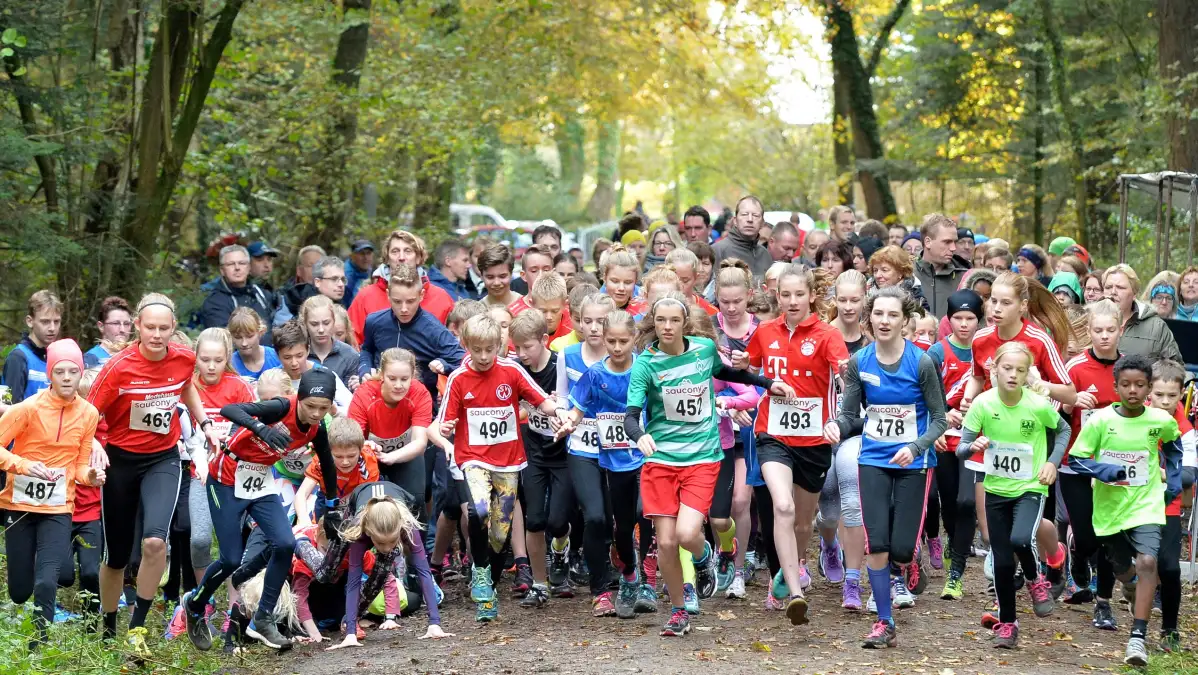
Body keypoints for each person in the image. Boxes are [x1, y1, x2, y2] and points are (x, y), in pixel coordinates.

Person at [624, 291, 787, 636]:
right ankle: (679, 610)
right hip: (661, 460)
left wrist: (767, 383)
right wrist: (639, 435)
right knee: (666, 542)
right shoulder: (645, 363)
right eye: (661, 320)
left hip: (702, 456)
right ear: (654, 323)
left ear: (685, 323)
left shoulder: (703, 350)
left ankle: (704, 555)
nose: (667, 327)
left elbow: (730, 374)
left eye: (674, 320)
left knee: (686, 534)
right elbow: (632, 414)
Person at [87, 294, 224, 655]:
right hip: (120, 461)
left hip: (162, 459)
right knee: (116, 557)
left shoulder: (183, 358)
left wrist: (205, 421)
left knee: (154, 543)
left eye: (165, 328)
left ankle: (137, 630)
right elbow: (87, 413)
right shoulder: (117, 367)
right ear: (137, 327)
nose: (158, 335)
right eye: (151, 327)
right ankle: (108, 625)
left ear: (173, 329)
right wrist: (93, 444)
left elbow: (186, 385)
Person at [181, 368, 340, 652]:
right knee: (230, 560)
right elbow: (230, 409)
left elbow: (327, 462)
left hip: (260, 482)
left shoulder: (318, 427)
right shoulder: (280, 406)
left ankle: (263, 617)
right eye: (311, 406)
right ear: (298, 398)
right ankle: (195, 605)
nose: (316, 413)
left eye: (324, 408)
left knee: (286, 542)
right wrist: (261, 427)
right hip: (227, 479)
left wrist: (332, 502)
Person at [824, 286, 948, 649]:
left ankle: (908, 563)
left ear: (904, 321)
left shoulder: (922, 363)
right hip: (873, 459)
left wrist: (915, 446)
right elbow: (849, 416)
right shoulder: (860, 362)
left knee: (901, 549)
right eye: (878, 314)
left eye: (892, 315)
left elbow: (939, 420)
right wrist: (837, 426)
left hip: (914, 462)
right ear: (869, 317)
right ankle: (884, 620)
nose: (884, 321)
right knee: (875, 543)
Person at [433, 314, 570, 622]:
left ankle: (489, 591)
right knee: (479, 511)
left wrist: (557, 414)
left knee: (500, 533)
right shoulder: (458, 378)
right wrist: (447, 427)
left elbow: (540, 400)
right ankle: (480, 573)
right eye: (476, 349)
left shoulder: (511, 370)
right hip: (473, 458)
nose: (483, 357)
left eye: (489, 350)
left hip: (508, 460)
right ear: (466, 345)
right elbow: (444, 423)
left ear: (499, 346)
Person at [737, 264, 849, 625]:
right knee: (781, 507)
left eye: (799, 294)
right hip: (772, 434)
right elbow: (750, 368)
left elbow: (844, 373)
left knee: (803, 523)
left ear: (812, 296)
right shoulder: (765, 332)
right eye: (785, 294)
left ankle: (793, 568)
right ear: (776, 296)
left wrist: (846, 390)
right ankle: (793, 593)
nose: (792, 300)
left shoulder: (829, 334)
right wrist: (748, 368)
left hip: (814, 440)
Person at [1067, 354, 1181, 668]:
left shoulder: (1160, 420)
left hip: (1146, 504)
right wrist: (1104, 470)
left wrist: (1172, 483)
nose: (1133, 390)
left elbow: (1173, 447)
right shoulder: (1101, 420)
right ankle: (1128, 583)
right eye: (1126, 384)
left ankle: (1138, 638)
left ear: (1149, 388)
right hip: (1109, 509)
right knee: (1121, 568)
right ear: (1116, 387)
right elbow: (1077, 459)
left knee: (1148, 562)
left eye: (1140, 385)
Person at [957, 342, 1071, 648]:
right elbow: (960, 447)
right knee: (1003, 563)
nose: (1013, 375)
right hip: (996, 490)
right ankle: (1007, 623)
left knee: (1021, 539)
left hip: (1030, 487)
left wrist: (1051, 462)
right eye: (1007, 368)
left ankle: (1035, 579)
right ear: (994, 369)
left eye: (1020, 370)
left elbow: (1063, 431)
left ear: (1027, 374)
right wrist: (974, 446)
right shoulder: (983, 403)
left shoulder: (1036, 403)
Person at [0, 339, 103, 644]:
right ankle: (25, 583)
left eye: (74, 371)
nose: (68, 377)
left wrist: (91, 475)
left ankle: (38, 645)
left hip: (58, 508)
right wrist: (23, 465)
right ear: (50, 375)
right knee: (19, 592)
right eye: (61, 371)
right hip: (19, 505)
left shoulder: (88, 414)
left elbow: (81, 466)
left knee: (47, 581)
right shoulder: (26, 409)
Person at [558, 310, 649, 618]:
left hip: (642, 455)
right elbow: (577, 407)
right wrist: (568, 422)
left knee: (644, 512)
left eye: (623, 341)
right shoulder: (596, 373)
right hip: (603, 453)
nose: (617, 347)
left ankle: (643, 579)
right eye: (611, 341)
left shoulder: (645, 367)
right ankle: (605, 588)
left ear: (634, 339)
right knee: (602, 520)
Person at [310, 481, 450, 649]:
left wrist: (435, 624)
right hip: (358, 513)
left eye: (391, 542)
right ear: (369, 534)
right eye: (381, 543)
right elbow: (354, 580)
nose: (386, 548)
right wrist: (350, 636)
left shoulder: (407, 525)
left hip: (395, 515)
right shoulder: (359, 529)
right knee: (326, 573)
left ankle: (350, 622)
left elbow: (424, 571)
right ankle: (300, 545)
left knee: (383, 570)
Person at [1058, 299, 1122, 621]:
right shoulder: (1075, 368)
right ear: (1089, 332)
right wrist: (1070, 405)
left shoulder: (1129, 370)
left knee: (1108, 535)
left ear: (1120, 330)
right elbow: (1056, 421)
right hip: (1076, 464)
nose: (1104, 336)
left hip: (1113, 466)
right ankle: (1076, 552)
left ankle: (1104, 604)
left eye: (1110, 330)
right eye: (1098, 330)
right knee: (1087, 535)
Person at [508, 311, 575, 606]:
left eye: (528, 347)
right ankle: (539, 583)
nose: (522, 354)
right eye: (517, 347)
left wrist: (563, 404)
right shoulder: (514, 369)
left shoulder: (561, 364)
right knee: (534, 520)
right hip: (533, 450)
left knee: (557, 521)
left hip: (563, 452)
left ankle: (561, 550)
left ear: (544, 341)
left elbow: (578, 398)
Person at [188, 328, 255, 590]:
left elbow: (253, 427)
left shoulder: (239, 387)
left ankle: (234, 604)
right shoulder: (188, 386)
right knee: (200, 541)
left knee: (232, 546)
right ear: (195, 357)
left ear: (227, 357)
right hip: (200, 474)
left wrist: (232, 436)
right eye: (205, 360)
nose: (212, 366)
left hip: (232, 477)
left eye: (218, 360)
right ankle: (202, 598)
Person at [927, 290, 984, 600]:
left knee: (966, 502)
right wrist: (941, 416)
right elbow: (927, 392)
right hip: (945, 438)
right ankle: (951, 538)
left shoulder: (987, 350)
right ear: (948, 320)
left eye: (970, 318)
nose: (964, 325)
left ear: (980, 320)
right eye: (958, 319)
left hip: (977, 439)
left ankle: (956, 573)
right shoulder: (937, 353)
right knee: (948, 501)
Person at [1145, 359, 1195, 653]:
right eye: (1159, 395)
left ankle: (1170, 629)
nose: (1165, 402)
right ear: (1148, 390)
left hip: (1168, 504)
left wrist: (1160, 473)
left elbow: (1189, 474)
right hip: (1131, 503)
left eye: (1172, 396)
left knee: (1170, 569)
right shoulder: (1135, 415)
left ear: (1181, 395)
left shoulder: (1185, 427)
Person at [359, 264, 465, 401]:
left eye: (410, 301)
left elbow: (464, 361)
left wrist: (445, 365)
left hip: (419, 405)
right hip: (379, 402)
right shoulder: (374, 321)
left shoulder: (434, 330)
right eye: (397, 301)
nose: (404, 309)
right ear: (388, 295)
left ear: (421, 296)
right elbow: (367, 349)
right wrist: (365, 368)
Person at [346, 348, 432, 517]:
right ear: (382, 375)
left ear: (413, 375)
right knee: (366, 504)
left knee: (416, 501)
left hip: (406, 455)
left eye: (404, 379)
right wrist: (366, 445)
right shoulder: (365, 394)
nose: (398, 385)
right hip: (369, 455)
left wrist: (392, 457)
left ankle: (419, 542)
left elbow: (420, 443)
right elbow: (352, 437)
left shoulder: (419, 393)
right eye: (392, 379)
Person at [347, 231, 454, 342]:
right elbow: (352, 342)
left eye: (408, 251)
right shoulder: (365, 297)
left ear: (418, 257)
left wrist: (440, 360)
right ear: (387, 258)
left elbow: (454, 345)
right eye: (395, 251)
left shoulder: (441, 298)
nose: (401, 257)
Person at [293, 416, 382, 527]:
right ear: (329, 451)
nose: (345, 462)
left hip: (359, 499)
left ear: (361, 449)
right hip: (328, 498)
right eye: (338, 456)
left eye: (351, 456)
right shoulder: (321, 460)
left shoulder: (368, 460)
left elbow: (369, 502)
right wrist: (303, 519)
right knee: (320, 531)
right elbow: (301, 494)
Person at [1101, 264, 1181, 361]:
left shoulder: (1157, 327)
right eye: (1108, 287)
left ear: (1134, 293)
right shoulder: (1087, 321)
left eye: (1120, 287)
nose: (1113, 292)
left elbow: (1175, 367)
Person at [274, 320, 352, 414]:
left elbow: (352, 408)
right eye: (287, 357)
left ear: (308, 350)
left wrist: (333, 412)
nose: (294, 363)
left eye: (299, 356)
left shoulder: (325, 376)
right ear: (277, 355)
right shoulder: (271, 379)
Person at [200, 245, 276, 337]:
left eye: (242, 263)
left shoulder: (263, 295)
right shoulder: (214, 303)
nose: (237, 268)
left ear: (249, 268)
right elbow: (224, 341)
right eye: (231, 264)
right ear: (222, 270)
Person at [4, 290, 63, 405]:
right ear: (30, 321)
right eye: (45, 322)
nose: (52, 328)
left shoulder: (59, 358)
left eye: (56, 321)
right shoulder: (18, 358)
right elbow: (9, 408)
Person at [913, 214, 971, 319]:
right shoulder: (906, 274)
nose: (953, 248)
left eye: (955, 242)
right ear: (928, 242)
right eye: (947, 242)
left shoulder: (966, 277)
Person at [301, 295, 360, 390]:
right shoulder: (298, 355)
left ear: (333, 321)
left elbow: (350, 398)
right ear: (305, 324)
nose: (321, 330)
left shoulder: (350, 355)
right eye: (314, 324)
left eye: (326, 323)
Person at [713, 196, 774, 281]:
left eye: (755, 215)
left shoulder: (765, 255)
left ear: (762, 223)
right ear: (735, 221)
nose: (750, 219)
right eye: (744, 214)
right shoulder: (717, 251)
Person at [274, 245, 327, 326]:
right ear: (299, 270)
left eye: (320, 266)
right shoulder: (283, 296)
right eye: (311, 266)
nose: (316, 271)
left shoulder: (331, 293)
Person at [228, 307, 282, 384]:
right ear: (231, 337)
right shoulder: (229, 365)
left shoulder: (277, 357)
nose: (244, 343)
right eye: (238, 337)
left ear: (260, 332)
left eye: (249, 336)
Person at [869, 245, 930, 313]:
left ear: (900, 272)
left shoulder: (915, 298)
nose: (877, 275)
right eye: (875, 270)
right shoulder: (868, 292)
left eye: (884, 270)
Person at [665, 248, 718, 315]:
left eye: (685, 281)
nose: (679, 286)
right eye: (672, 280)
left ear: (696, 278)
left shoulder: (710, 312)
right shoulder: (652, 307)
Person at [84, 296, 133, 368]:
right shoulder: (90, 359)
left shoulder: (134, 356)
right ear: (101, 326)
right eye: (116, 323)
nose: (122, 329)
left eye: (126, 324)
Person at [506, 245, 556, 315]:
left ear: (553, 273)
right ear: (523, 275)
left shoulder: (565, 309)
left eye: (546, 270)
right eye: (534, 270)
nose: (540, 275)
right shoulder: (512, 312)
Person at [598, 244, 646, 314]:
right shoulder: (594, 305)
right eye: (615, 281)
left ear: (635, 281)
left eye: (628, 282)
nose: (621, 288)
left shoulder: (645, 308)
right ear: (605, 278)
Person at [476, 243, 523, 308]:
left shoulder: (524, 306)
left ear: (511, 274)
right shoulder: (478, 310)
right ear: (481, 276)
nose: (496, 283)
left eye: (502, 276)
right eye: (490, 277)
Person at [344, 239, 375, 308]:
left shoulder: (367, 268)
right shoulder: (347, 276)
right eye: (362, 253)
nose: (366, 257)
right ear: (352, 256)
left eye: (368, 253)